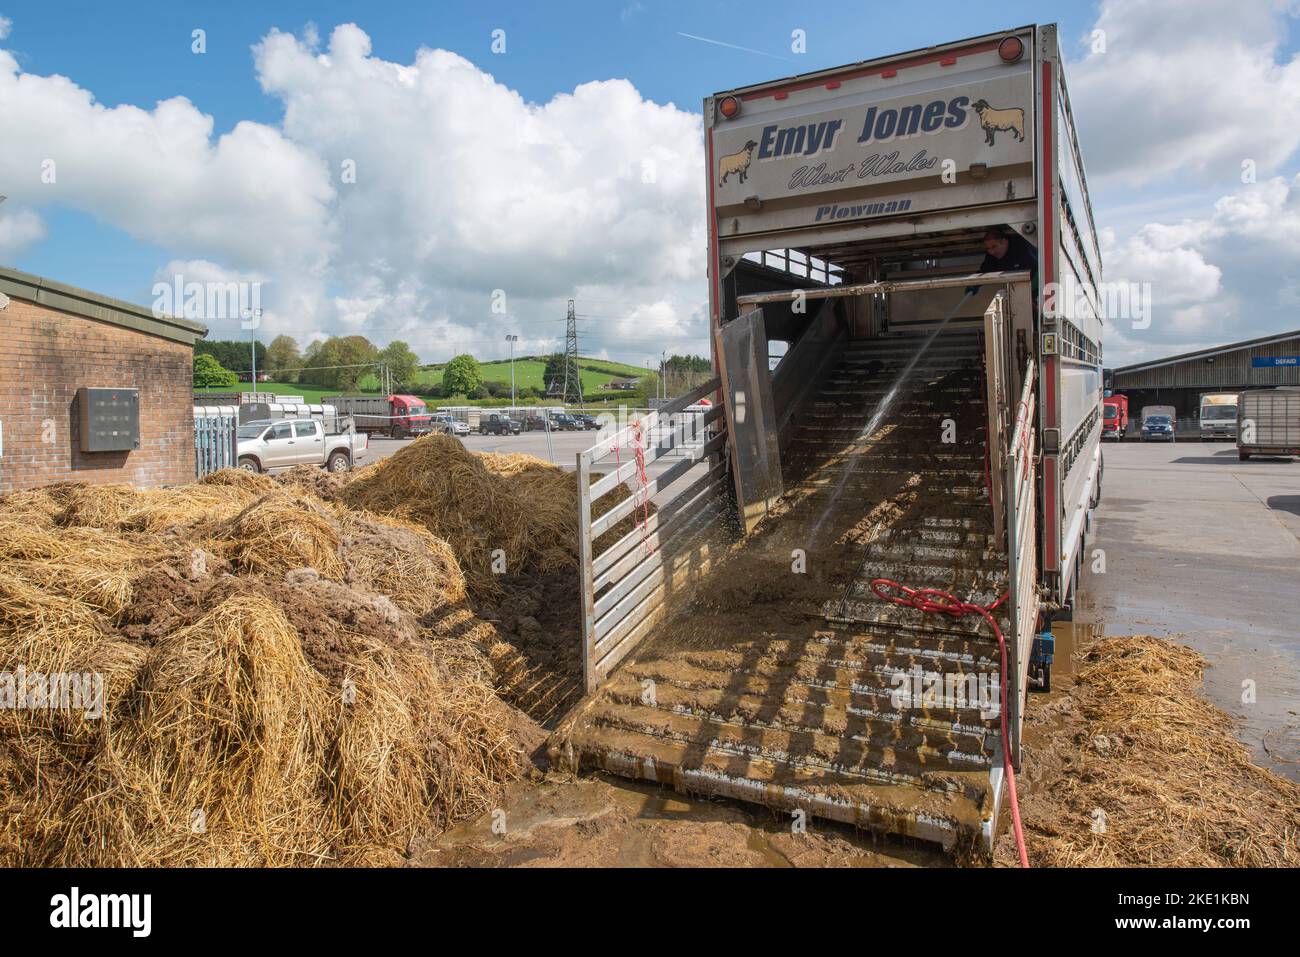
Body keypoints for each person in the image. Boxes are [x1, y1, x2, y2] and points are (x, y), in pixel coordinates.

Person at [965, 227, 1038, 296]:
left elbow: (1042, 267)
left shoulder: (1023, 247)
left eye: (994, 246)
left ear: (1004, 241)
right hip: (1018, 291)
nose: (991, 252)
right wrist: (974, 283)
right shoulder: (992, 257)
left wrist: (1031, 288)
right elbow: (984, 272)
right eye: (988, 249)